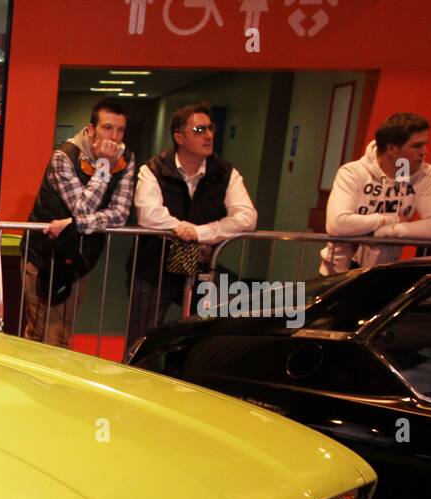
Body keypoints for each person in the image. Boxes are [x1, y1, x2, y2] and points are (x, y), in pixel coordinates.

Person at [127, 101, 256, 355]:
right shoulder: (153, 169)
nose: (208, 135)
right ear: (179, 137)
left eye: (210, 129)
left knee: (200, 340)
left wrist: (200, 233)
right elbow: (149, 214)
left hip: (202, 271)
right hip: (154, 269)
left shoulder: (226, 174)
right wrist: (181, 227)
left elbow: (246, 217)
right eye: (199, 130)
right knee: (142, 339)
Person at [22, 97, 136, 347]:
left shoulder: (126, 159)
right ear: (91, 129)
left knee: (61, 333)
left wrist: (75, 224)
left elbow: (120, 214)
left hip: (80, 259)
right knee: (43, 333)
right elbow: (83, 207)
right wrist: (104, 166)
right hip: (43, 256)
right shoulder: (64, 156)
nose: (114, 137)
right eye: (107, 127)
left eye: (120, 130)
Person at [320, 113, 431, 275]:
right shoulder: (353, 173)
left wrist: (388, 231)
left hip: (382, 274)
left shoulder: (423, 174)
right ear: (392, 149)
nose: (424, 151)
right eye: (417, 146)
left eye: (424, 144)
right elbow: (338, 224)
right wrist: (390, 219)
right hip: (338, 273)